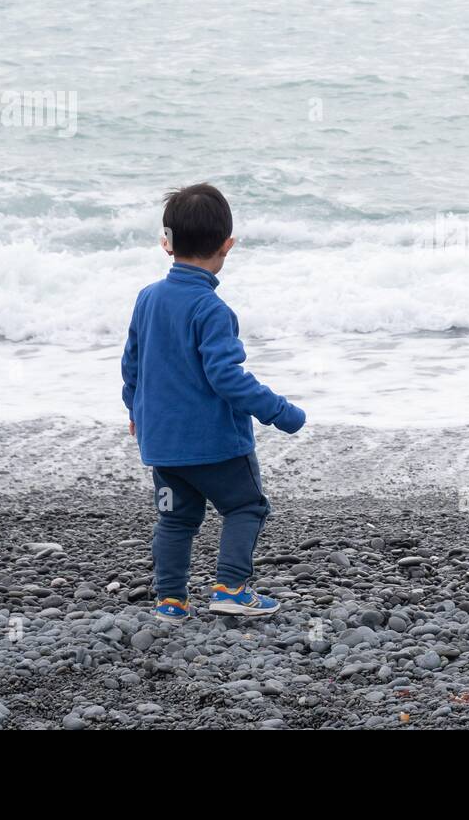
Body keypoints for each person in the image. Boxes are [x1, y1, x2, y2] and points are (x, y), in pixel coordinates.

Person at [122, 183, 306, 621]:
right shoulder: (212, 309)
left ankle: (170, 600)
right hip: (216, 443)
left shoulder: (147, 298)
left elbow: (132, 365)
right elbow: (226, 377)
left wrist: (135, 410)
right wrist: (280, 412)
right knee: (246, 506)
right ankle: (230, 586)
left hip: (163, 443)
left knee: (176, 519)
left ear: (166, 244)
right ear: (228, 246)